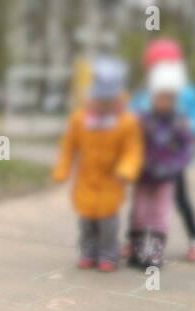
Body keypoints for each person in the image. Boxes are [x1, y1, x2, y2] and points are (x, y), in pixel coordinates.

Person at [53, 57, 143, 272]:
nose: (102, 106)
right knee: (86, 221)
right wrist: (62, 168)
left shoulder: (127, 122)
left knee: (108, 223)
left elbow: (133, 150)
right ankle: (88, 251)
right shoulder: (79, 119)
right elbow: (68, 147)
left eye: (107, 101)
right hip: (86, 179)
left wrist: (126, 169)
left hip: (111, 180)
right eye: (99, 100)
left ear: (115, 99)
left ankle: (108, 254)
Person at [130, 38, 195, 261]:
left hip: (170, 160)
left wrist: (188, 129)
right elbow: (131, 112)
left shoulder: (187, 93)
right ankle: (134, 241)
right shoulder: (146, 93)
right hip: (146, 159)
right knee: (140, 201)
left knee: (180, 198)